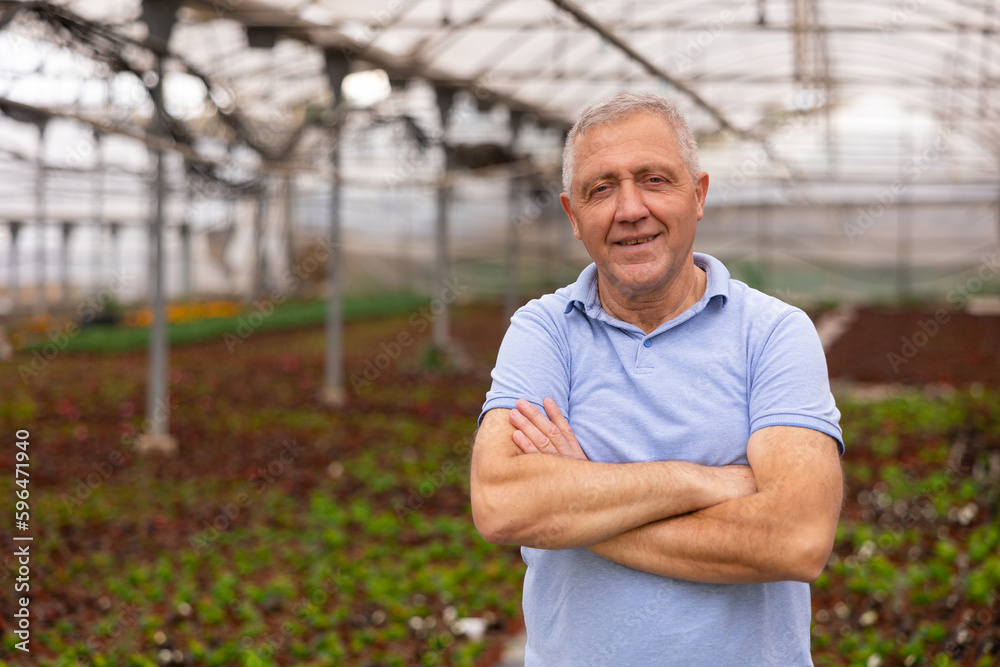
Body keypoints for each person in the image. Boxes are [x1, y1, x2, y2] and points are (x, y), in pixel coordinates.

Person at [469, 91, 844, 666]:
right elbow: (501, 502)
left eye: (654, 180)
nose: (629, 208)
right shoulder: (544, 329)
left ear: (698, 196)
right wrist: (704, 482)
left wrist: (579, 502)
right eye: (602, 188)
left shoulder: (774, 333)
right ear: (573, 216)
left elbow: (796, 538)